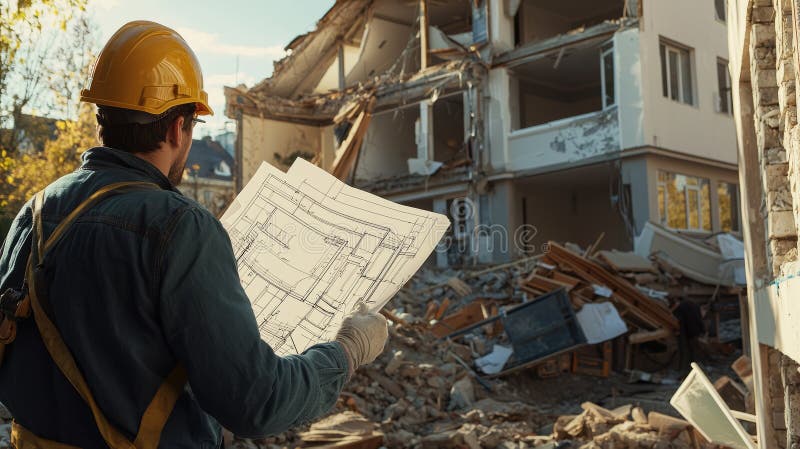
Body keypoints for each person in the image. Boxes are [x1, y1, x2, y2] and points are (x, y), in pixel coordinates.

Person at [0, 21, 388, 448]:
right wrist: (347, 351)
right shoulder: (178, 227)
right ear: (176, 128)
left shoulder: (33, 214)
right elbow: (259, 402)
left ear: (100, 120)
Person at [669, 295, 705, 374]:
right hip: (695, 331)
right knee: (694, 351)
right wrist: (703, 330)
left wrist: (677, 331)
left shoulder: (679, 308)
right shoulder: (695, 306)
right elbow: (700, 319)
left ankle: (684, 370)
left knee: (684, 352)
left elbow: (677, 321)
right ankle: (694, 368)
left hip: (684, 333)